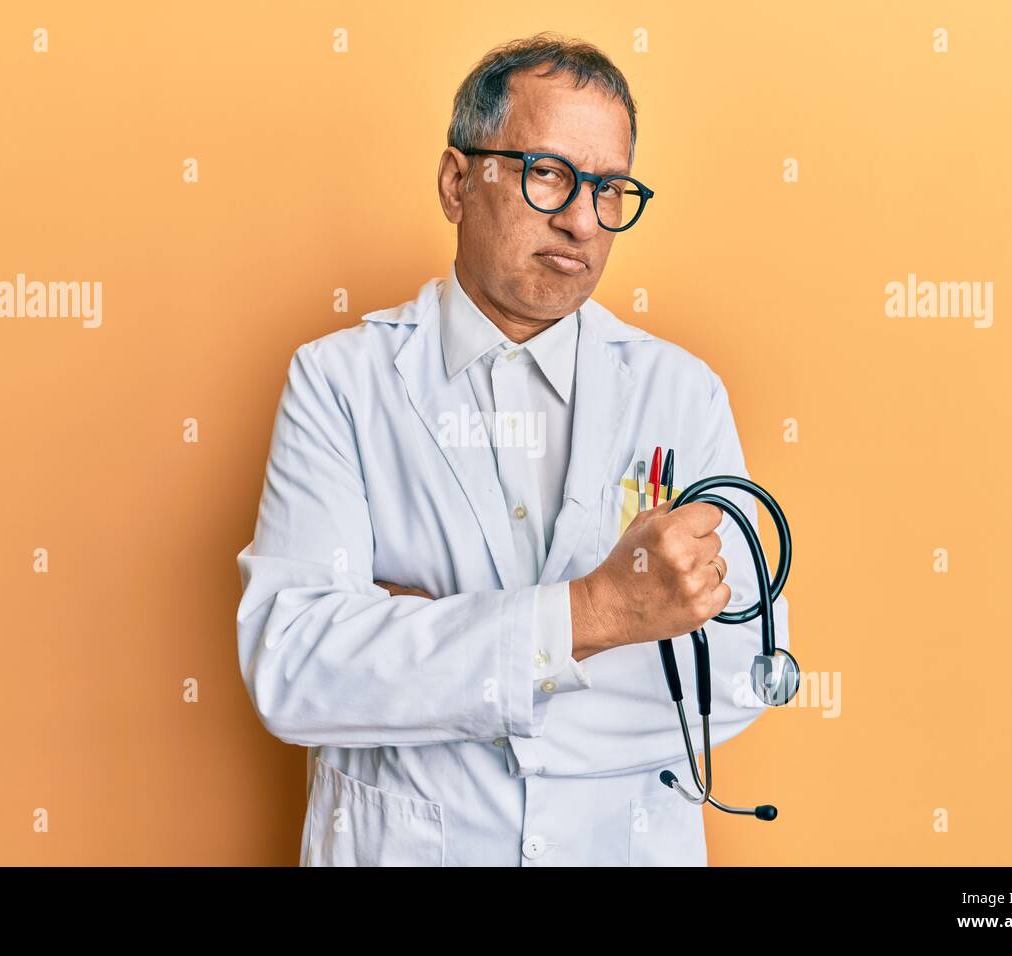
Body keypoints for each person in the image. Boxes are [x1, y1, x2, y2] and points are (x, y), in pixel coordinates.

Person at [235, 32, 792, 866]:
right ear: (459, 182)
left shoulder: (681, 393)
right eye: (548, 174)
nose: (580, 218)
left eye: (610, 189)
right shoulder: (339, 382)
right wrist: (603, 616)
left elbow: (741, 674)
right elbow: (298, 672)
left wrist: (428, 646)